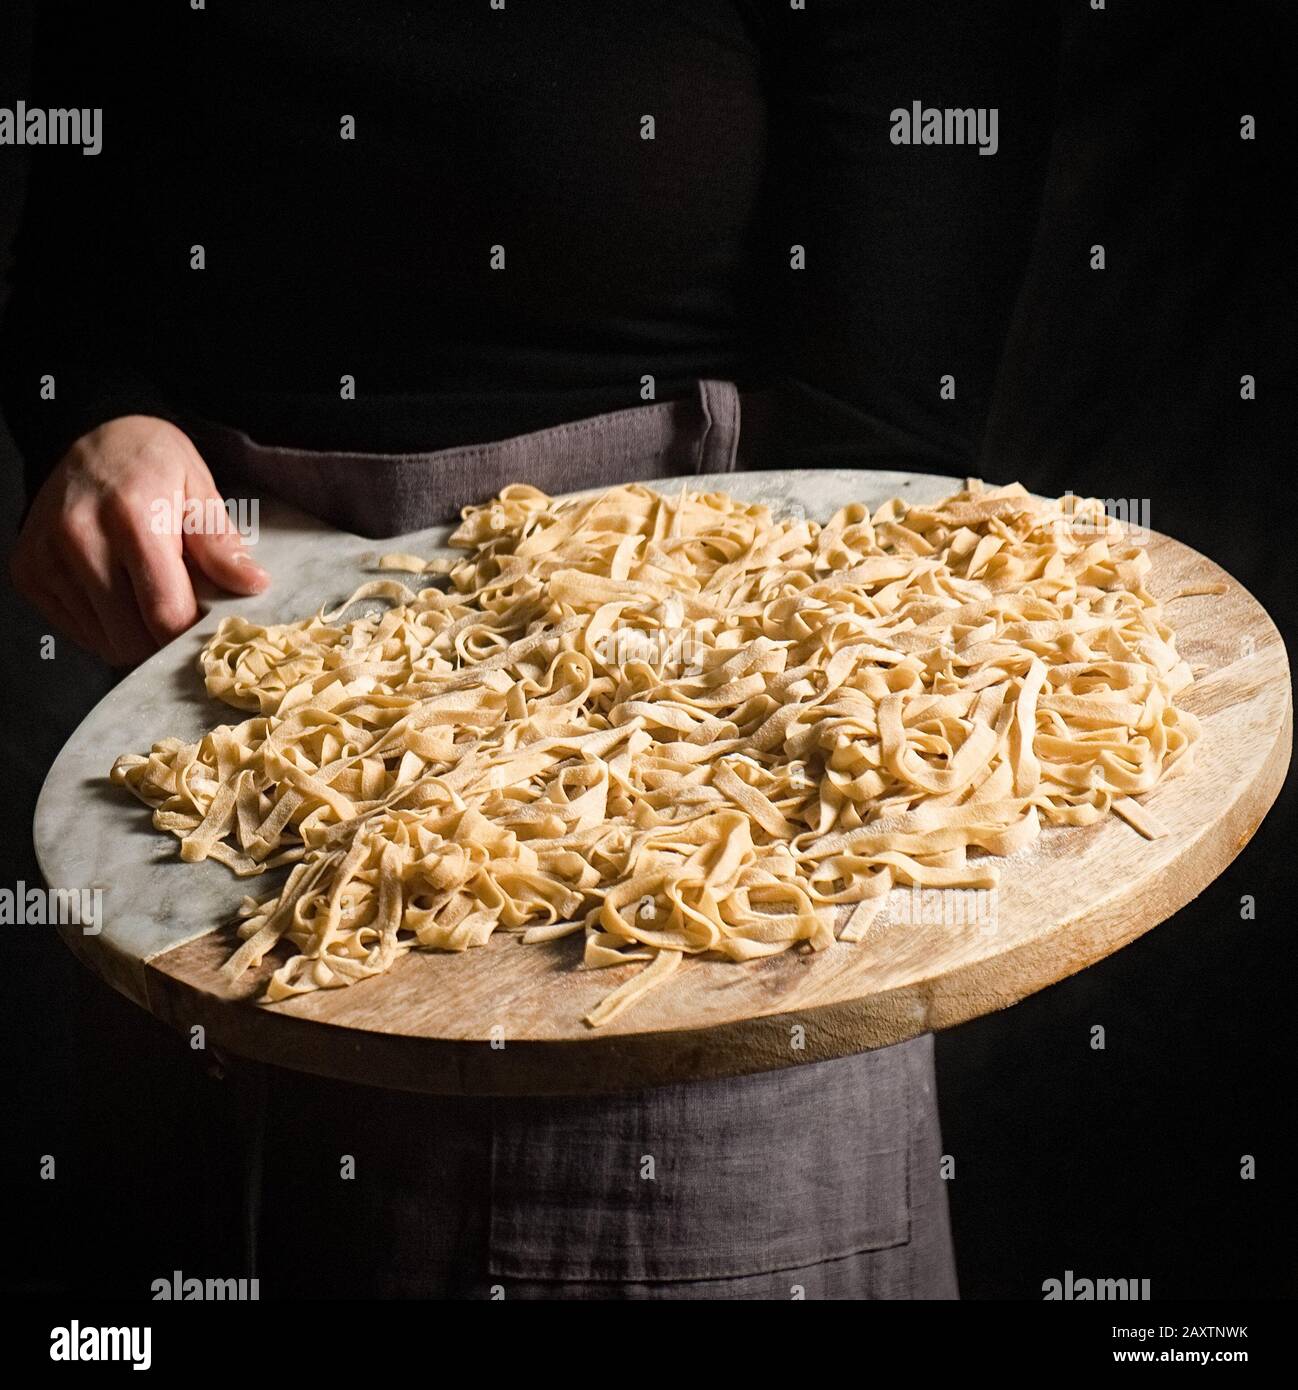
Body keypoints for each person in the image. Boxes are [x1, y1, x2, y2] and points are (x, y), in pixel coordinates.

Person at [3, 1, 1058, 1298]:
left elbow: (887, 429)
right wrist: (102, 422)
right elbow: (72, 272)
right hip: (207, 758)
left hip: (684, 771)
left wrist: (524, 696)